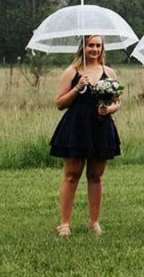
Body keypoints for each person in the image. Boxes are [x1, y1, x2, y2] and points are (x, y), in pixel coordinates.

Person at [49, 35, 121, 236]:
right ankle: (64, 223)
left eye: (98, 45)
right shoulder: (72, 72)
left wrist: (109, 110)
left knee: (96, 176)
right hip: (76, 127)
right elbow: (59, 103)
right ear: (83, 47)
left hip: (101, 127)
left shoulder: (109, 72)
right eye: (91, 45)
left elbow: (117, 101)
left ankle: (94, 222)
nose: (95, 49)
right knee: (72, 175)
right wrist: (78, 88)